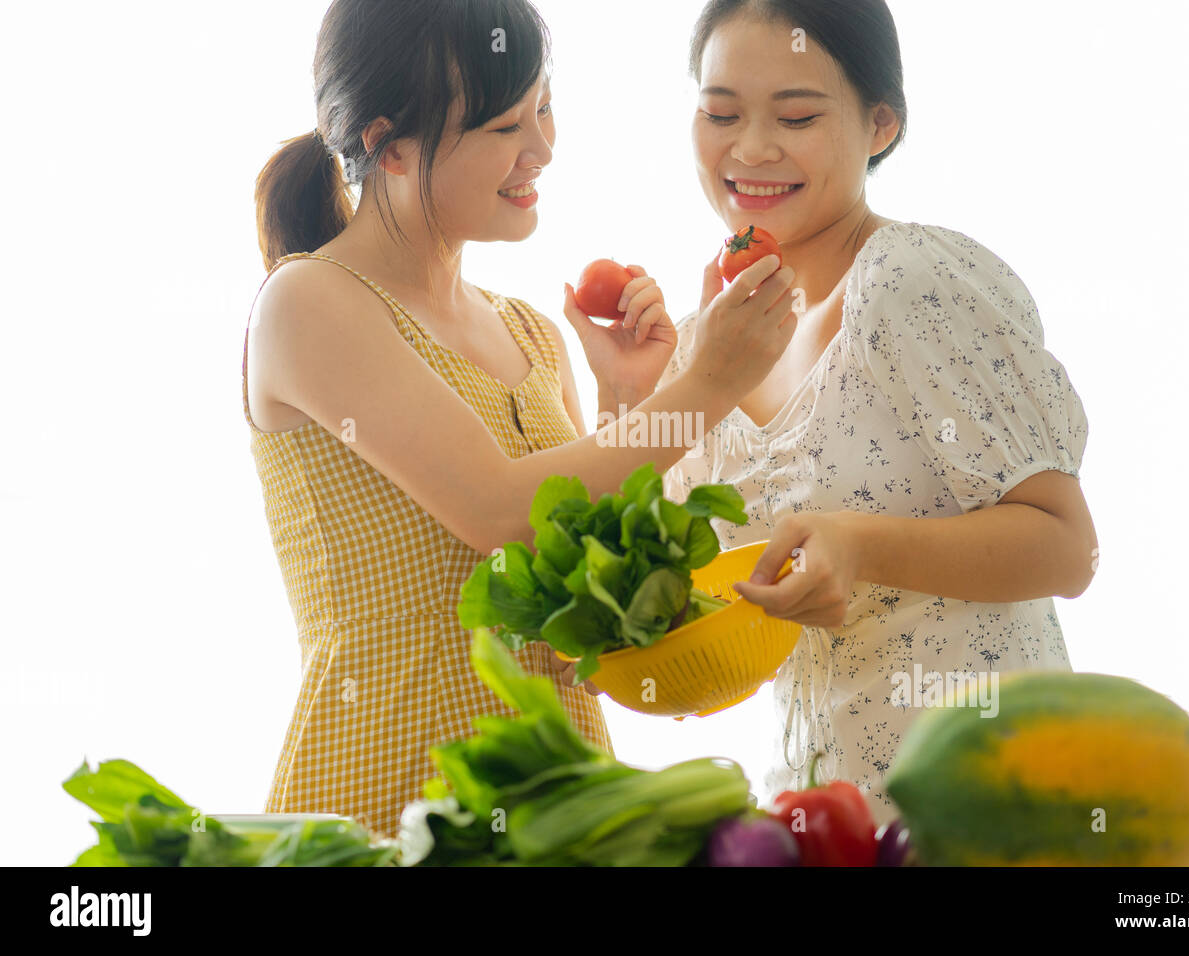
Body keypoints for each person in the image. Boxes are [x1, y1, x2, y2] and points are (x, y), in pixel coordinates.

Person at [244, 0, 797, 836]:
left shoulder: (531, 333)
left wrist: (629, 397)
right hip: (389, 797)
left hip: (559, 805)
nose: (542, 146)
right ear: (390, 145)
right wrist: (709, 383)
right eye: (505, 125)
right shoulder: (308, 301)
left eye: (544, 107)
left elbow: (587, 590)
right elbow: (502, 512)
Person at [638, 0, 1097, 820]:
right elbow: (686, 611)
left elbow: (1068, 548)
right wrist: (637, 390)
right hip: (819, 816)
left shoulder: (908, 281)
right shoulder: (712, 342)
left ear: (880, 124)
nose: (751, 149)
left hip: (993, 806)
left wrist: (860, 545)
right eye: (721, 114)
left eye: (797, 116)